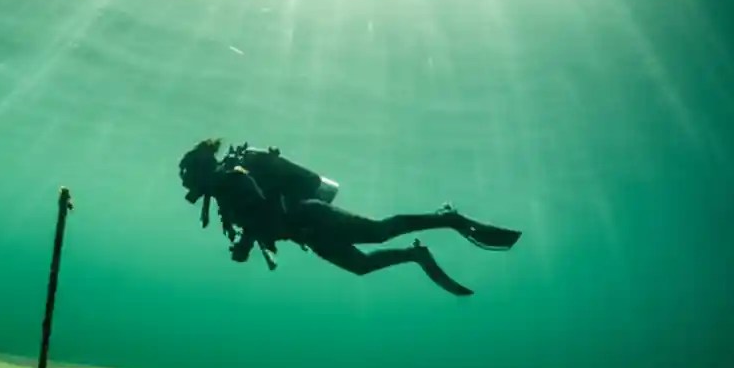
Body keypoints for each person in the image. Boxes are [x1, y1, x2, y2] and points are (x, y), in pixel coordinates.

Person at [177, 138, 521, 296]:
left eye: (187, 175)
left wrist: (247, 241)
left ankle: (447, 217)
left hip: (311, 216)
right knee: (361, 266)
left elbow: (257, 205)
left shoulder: (231, 178)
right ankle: (415, 254)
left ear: (201, 170)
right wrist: (248, 243)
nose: (185, 183)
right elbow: (257, 215)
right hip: (307, 234)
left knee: (379, 231)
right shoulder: (222, 190)